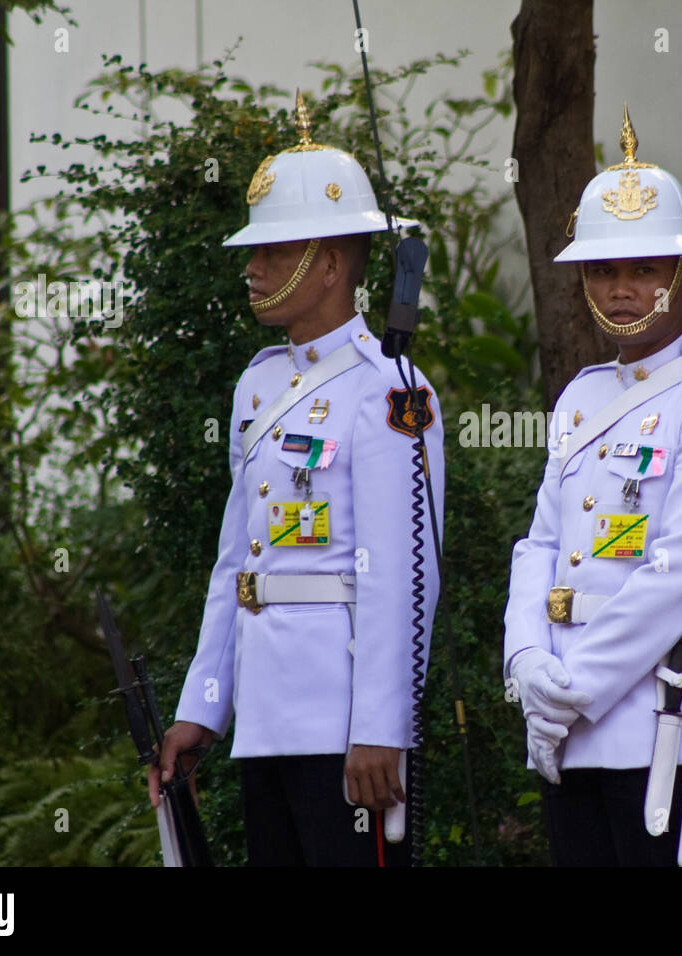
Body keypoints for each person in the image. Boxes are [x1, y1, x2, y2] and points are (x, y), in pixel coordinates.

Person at [149, 94, 443, 867]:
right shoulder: (258, 385)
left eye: (275, 253)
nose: (253, 268)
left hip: (347, 723)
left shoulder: (389, 391)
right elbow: (234, 568)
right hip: (268, 718)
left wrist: (381, 725)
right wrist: (202, 710)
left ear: (333, 263)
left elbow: (401, 575)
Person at [502, 106, 682, 866]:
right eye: (604, 269)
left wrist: (570, 693)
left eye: (643, 269)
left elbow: (680, 575)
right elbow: (541, 545)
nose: (621, 289)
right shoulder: (583, 396)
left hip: (659, 726)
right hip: (563, 726)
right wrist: (527, 663)